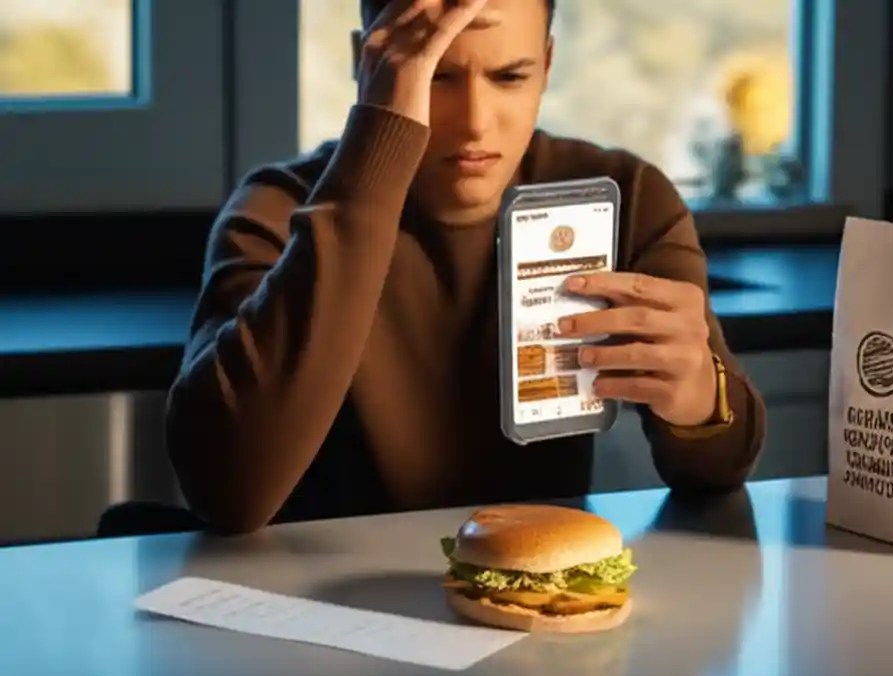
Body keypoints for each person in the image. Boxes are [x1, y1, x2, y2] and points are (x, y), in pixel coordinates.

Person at [159, 0, 766, 535]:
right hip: (316, 609)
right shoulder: (278, 210)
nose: (476, 121)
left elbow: (721, 468)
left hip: (532, 606)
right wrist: (378, 141)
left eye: (510, 76)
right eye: (437, 75)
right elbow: (227, 491)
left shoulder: (624, 198)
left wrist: (698, 395)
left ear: (547, 64)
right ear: (369, 64)